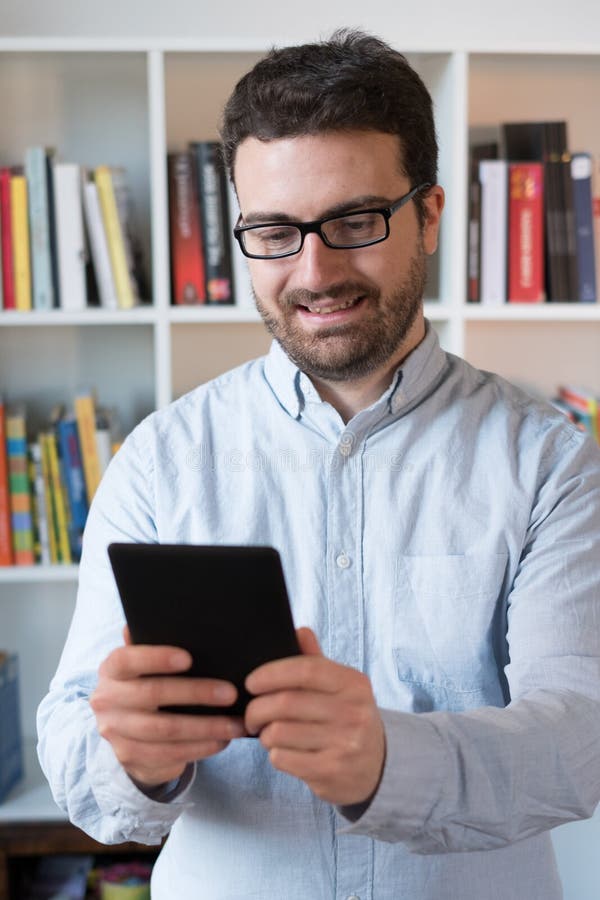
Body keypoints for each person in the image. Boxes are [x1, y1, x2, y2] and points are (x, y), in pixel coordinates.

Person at [38, 29, 600, 900]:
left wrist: (390, 763)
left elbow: (581, 740)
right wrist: (133, 759)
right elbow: (75, 743)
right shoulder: (159, 461)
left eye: (355, 221)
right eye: (273, 231)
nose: (315, 270)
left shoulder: (553, 463)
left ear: (430, 216)